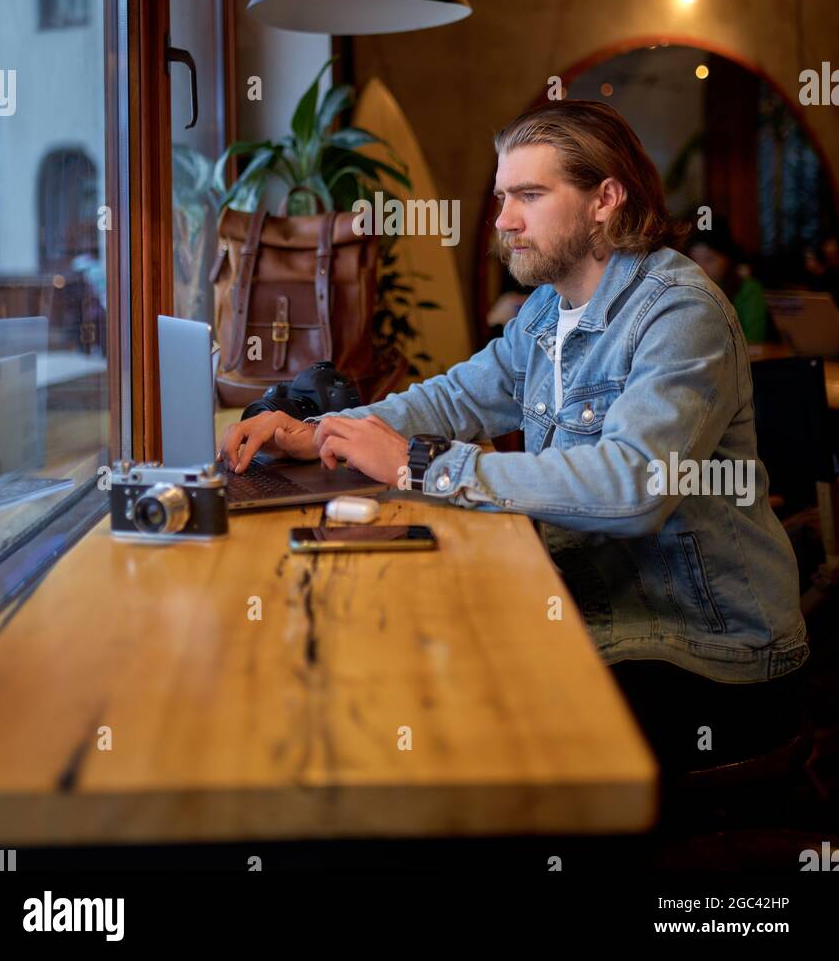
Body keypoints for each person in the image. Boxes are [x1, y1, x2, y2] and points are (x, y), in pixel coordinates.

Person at [220, 100, 809, 774]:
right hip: (596, 612)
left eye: (529, 195)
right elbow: (459, 396)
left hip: (707, 656)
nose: (504, 221)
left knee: (453, 728)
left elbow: (635, 486)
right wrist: (318, 432)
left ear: (605, 199)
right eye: (504, 197)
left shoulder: (679, 311)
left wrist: (419, 464)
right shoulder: (548, 308)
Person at [686, 218, 770, 344]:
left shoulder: (748, 289)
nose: (700, 267)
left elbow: (754, 340)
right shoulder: (689, 291)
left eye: (709, 259)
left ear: (727, 258)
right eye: (695, 260)